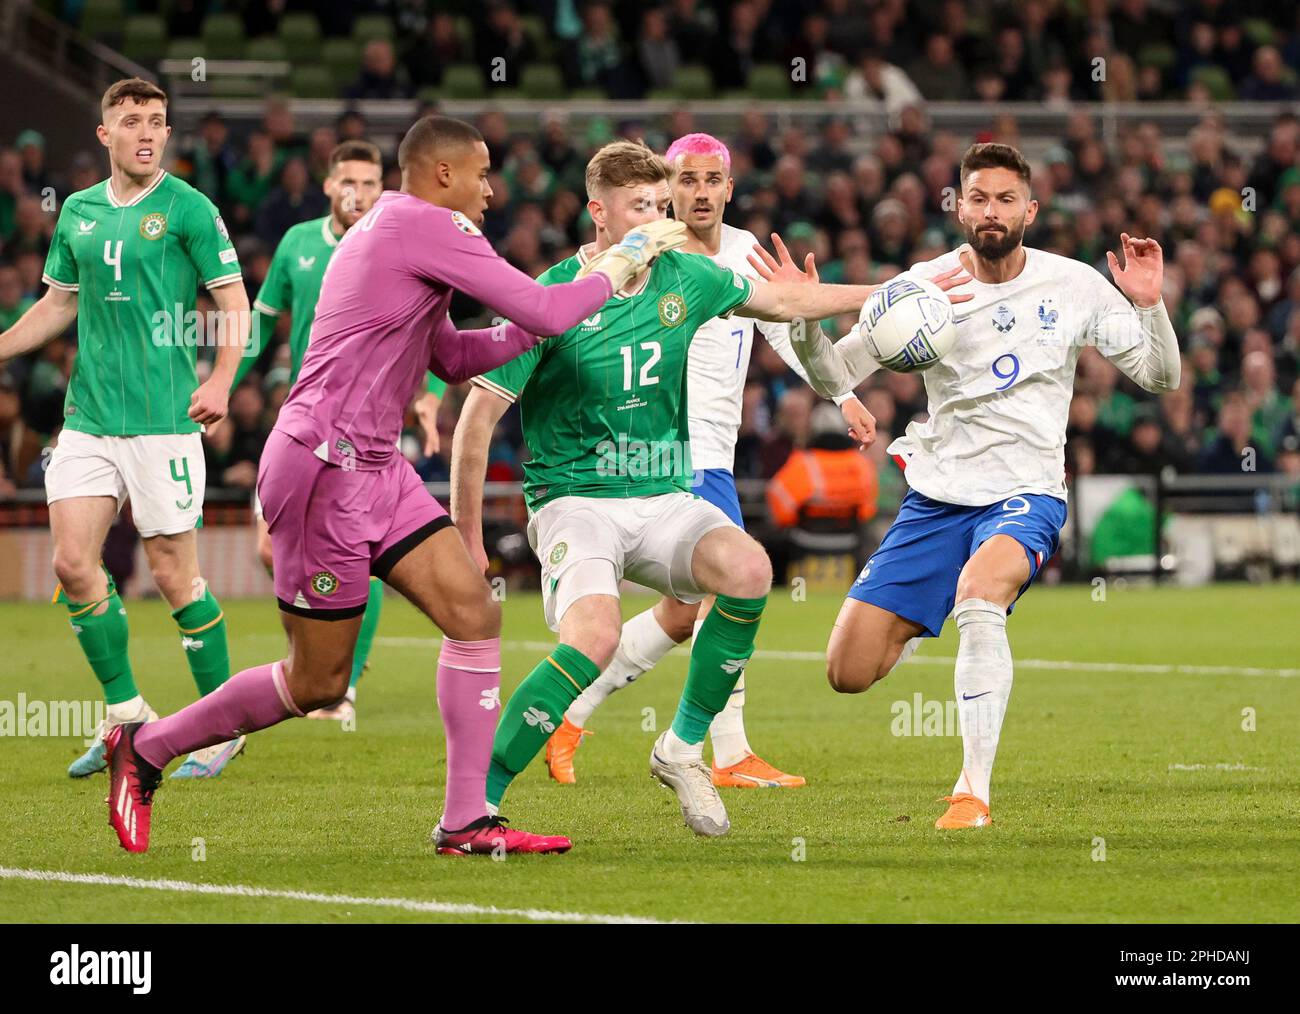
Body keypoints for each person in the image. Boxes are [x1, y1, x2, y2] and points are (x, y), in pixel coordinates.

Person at [100, 115, 687, 855]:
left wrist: (546, 330)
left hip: (376, 466)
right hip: (321, 467)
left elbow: (451, 354)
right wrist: (616, 263)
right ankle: (148, 747)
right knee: (316, 682)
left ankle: (466, 821)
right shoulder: (426, 225)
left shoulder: (396, 229)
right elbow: (539, 306)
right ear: (442, 174)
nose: (491, 190)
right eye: (480, 174)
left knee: (475, 614)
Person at [451, 139, 970, 838]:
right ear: (597, 214)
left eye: (660, 207)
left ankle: (681, 749)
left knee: (749, 568)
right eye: (642, 208)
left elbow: (786, 302)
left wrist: (899, 292)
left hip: (664, 494)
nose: (657, 221)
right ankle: (475, 807)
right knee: (594, 638)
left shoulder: (685, 276)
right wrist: (465, 536)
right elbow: (478, 417)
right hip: (577, 500)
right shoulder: (550, 297)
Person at [777, 142, 1180, 829]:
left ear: (1030, 208)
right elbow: (833, 374)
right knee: (847, 669)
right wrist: (807, 319)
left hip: (1026, 491)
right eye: (978, 198)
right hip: (938, 497)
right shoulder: (923, 288)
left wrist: (1149, 306)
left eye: (1004, 199)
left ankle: (972, 791)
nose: (991, 211)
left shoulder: (1073, 284)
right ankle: (929, 621)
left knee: (979, 594)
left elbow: (1161, 376)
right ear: (958, 207)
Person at [544, 132, 875, 791]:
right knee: (734, 586)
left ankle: (567, 712)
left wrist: (843, 392)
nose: (698, 191)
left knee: (680, 612)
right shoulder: (642, 252)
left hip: (716, 456)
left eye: (710, 179)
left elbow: (790, 327)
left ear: (728, 186)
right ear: (667, 188)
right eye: (685, 180)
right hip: (668, 452)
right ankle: (725, 752)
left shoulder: (747, 253)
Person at [0, 78, 249, 781]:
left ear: (168, 134)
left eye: (158, 121)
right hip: (88, 420)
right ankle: (126, 713)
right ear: (105, 133)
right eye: (132, 120)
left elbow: (232, 300)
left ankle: (223, 726)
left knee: (177, 577)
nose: (147, 131)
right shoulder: (76, 211)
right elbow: (57, 305)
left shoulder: (189, 209)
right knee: (73, 565)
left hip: (163, 421)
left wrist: (223, 380)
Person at [237, 139, 449, 722]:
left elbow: (439, 330)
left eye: (371, 181)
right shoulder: (298, 244)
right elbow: (261, 323)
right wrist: (222, 385)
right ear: (328, 185)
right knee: (269, 547)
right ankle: (316, 658)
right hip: (305, 420)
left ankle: (343, 683)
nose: (358, 191)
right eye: (348, 181)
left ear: (385, 187)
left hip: (374, 419)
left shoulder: (400, 241)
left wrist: (429, 401)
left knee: (363, 547)